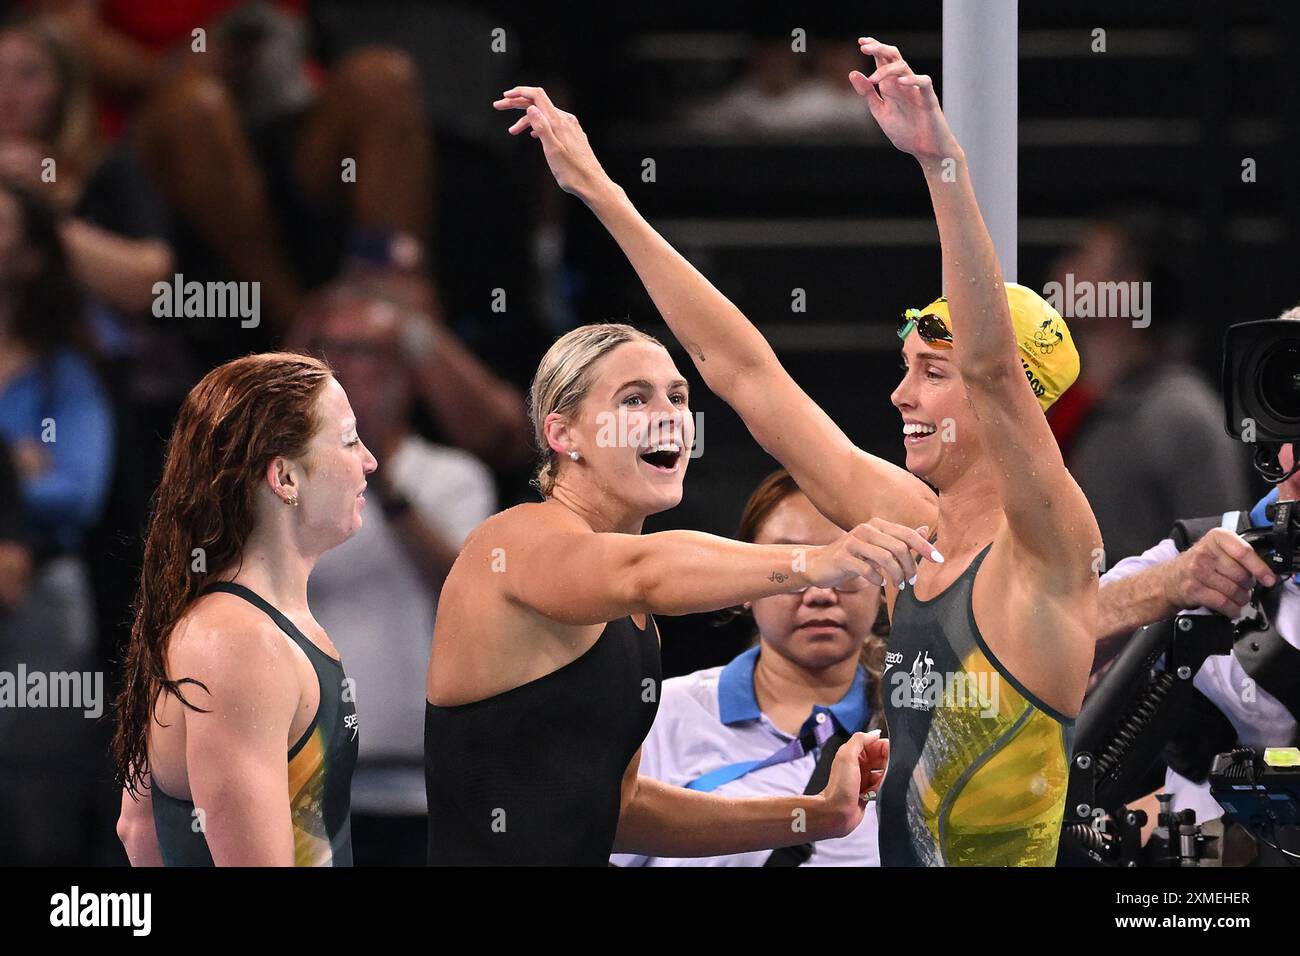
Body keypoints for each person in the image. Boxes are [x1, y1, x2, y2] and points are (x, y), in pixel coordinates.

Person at [497, 33, 1102, 866]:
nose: (900, 396)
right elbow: (743, 372)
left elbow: (996, 367)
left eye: (931, 373)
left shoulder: (1050, 548)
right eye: (904, 370)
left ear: (1014, 405)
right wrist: (603, 193)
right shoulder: (911, 529)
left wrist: (940, 163)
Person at [425, 321, 913, 865]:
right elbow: (643, 571)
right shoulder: (512, 541)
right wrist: (816, 561)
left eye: (678, 397)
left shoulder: (636, 623)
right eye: (634, 399)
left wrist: (816, 814)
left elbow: (623, 812)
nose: (670, 416)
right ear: (563, 435)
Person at [113, 352, 376, 866]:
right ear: (285, 478)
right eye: (348, 440)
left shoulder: (242, 626)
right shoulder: (238, 643)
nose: (369, 460)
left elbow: (136, 826)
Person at [301, 288, 497, 864]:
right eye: (328, 351)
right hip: (310, 784)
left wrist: (378, 478)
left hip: (429, 789)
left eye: (363, 351)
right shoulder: (285, 484)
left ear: (406, 372)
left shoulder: (456, 476)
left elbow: (466, 588)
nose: (344, 370)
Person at [611, 470, 887, 867]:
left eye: (846, 564)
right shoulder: (659, 714)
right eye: (794, 565)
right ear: (745, 583)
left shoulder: (921, 723)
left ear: (882, 585)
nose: (822, 592)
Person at [0, 181, 114, 865]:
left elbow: (76, 492)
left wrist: (17, 487)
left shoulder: (61, 372)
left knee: (38, 805)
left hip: (40, 597)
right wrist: (16, 466)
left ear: (30, 257)